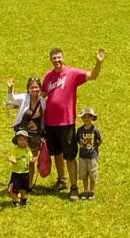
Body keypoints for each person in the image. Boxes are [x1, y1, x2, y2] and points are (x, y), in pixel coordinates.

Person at [41, 46, 106, 201]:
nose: (56, 60)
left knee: (70, 156)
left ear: (63, 58)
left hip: (66, 122)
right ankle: (61, 181)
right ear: (51, 60)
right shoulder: (48, 76)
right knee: (56, 153)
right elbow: (41, 95)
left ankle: (74, 187)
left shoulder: (73, 73)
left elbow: (93, 76)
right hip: (50, 122)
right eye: (54, 58)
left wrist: (98, 63)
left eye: (59, 57)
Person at [5, 76, 46, 186]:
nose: (34, 90)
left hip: (36, 136)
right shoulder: (24, 98)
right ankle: (16, 183)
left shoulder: (42, 101)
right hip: (23, 135)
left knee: (31, 161)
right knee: (20, 159)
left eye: (36, 87)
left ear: (40, 88)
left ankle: (29, 184)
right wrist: (10, 89)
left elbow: (44, 118)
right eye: (32, 87)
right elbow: (10, 101)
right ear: (28, 89)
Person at [75, 107, 102, 200]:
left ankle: (91, 191)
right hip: (82, 156)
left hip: (92, 156)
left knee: (92, 173)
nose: (86, 119)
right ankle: (85, 191)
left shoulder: (95, 129)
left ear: (92, 118)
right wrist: (82, 146)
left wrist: (95, 147)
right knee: (83, 174)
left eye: (88, 117)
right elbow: (77, 140)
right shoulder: (79, 130)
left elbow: (100, 140)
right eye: (84, 117)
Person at [6, 130, 32, 207]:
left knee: (24, 187)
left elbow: (30, 156)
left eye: (24, 139)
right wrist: (12, 160)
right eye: (20, 139)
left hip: (25, 172)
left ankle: (23, 199)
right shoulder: (15, 150)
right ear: (16, 141)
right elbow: (11, 157)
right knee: (14, 188)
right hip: (16, 173)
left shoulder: (27, 149)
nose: (22, 141)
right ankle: (14, 201)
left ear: (27, 141)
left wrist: (31, 159)